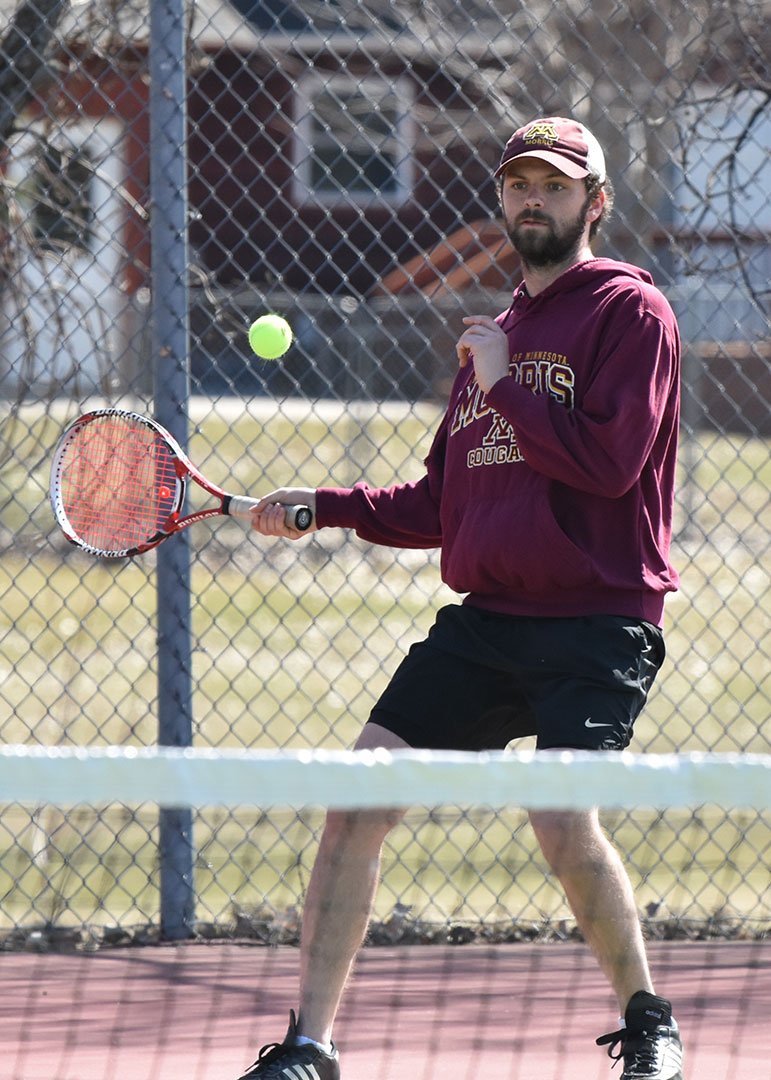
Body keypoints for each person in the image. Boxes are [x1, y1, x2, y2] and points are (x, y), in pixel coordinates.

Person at [235, 115, 685, 1080]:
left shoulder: (630, 316)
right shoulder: (497, 339)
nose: (534, 199)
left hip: (599, 621)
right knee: (356, 803)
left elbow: (610, 464)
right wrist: (326, 506)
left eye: (556, 186)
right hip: (487, 623)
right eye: (520, 184)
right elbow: (441, 501)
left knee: (560, 819)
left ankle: (649, 1023)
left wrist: (508, 383)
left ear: (594, 203)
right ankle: (309, 1046)